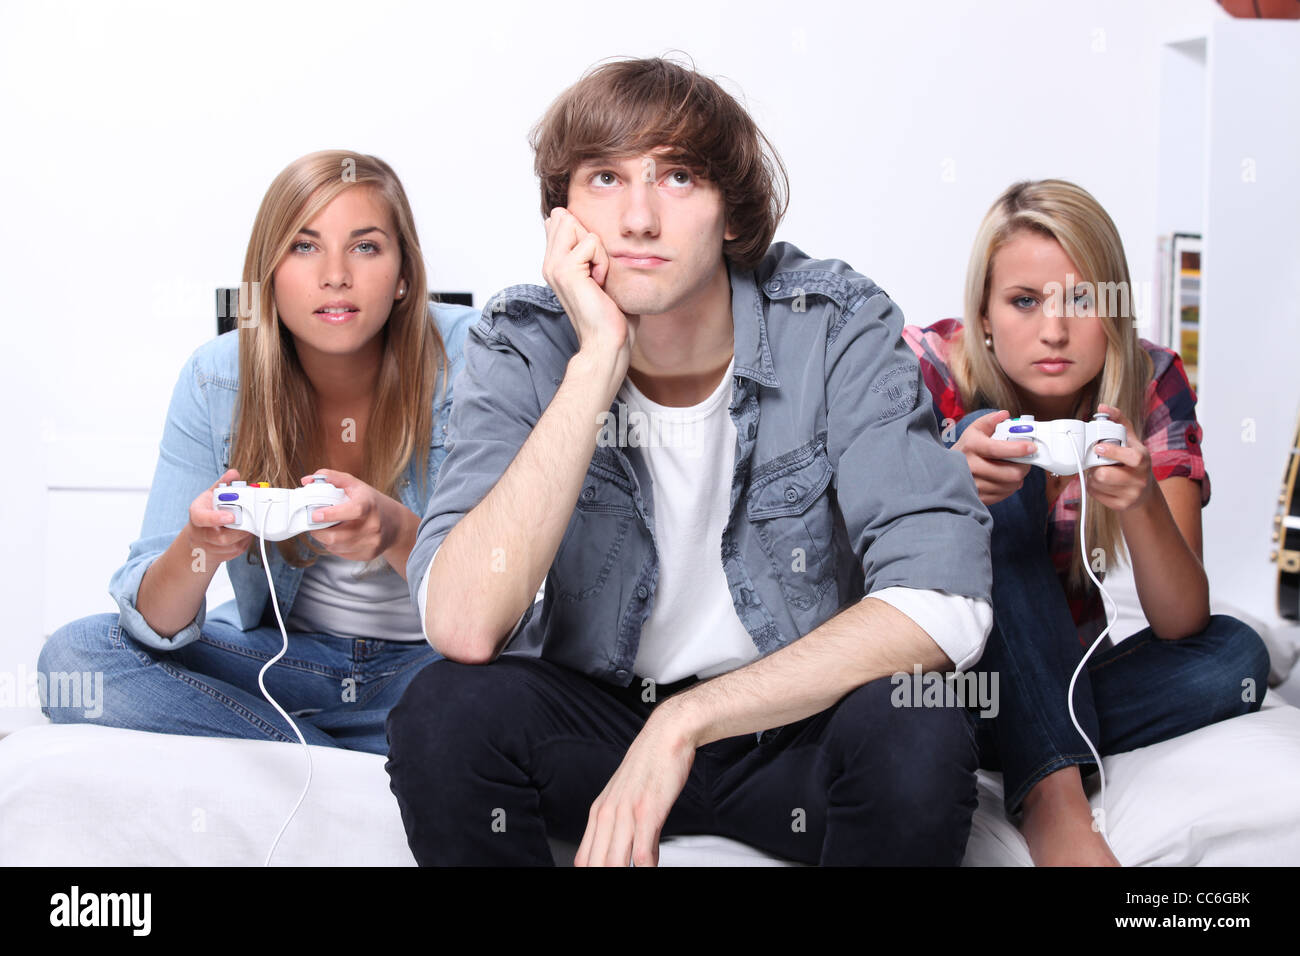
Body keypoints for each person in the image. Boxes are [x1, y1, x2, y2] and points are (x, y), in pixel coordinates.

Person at [385, 57, 996, 867]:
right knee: (441, 712)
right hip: (595, 725)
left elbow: (945, 602)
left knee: (918, 723)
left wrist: (685, 721)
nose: (638, 219)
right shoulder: (522, 341)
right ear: (563, 216)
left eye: (677, 177)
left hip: (791, 729)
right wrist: (597, 362)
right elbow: (461, 622)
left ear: (731, 213)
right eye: (604, 178)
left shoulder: (835, 323)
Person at [38, 150, 476, 755]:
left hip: (439, 670)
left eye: (366, 246)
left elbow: (505, 598)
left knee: (525, 701)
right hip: (290, 662)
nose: (335, 275)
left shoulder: (477, 357)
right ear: (267, 274)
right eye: (304, 246)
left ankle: (282, 750)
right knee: (76, 660)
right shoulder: (217, 378)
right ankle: (343, 758)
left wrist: (397, 533)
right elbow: (157, 623)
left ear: (405, 274)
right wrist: (199, 548)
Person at [902, 179, 1271, 866]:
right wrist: (951, 478)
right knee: (990, 433)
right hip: (942, 669)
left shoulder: (1149, 379)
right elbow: (846, 549)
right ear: (982, 314)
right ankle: (1054, 800)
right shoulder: (923, 367)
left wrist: (1142, 503)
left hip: (1053, 678)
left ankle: (1024, 736)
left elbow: (1182, 620)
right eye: (1023, 302)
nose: (1053, 330)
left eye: (1082, 301)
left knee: (1236, 658)